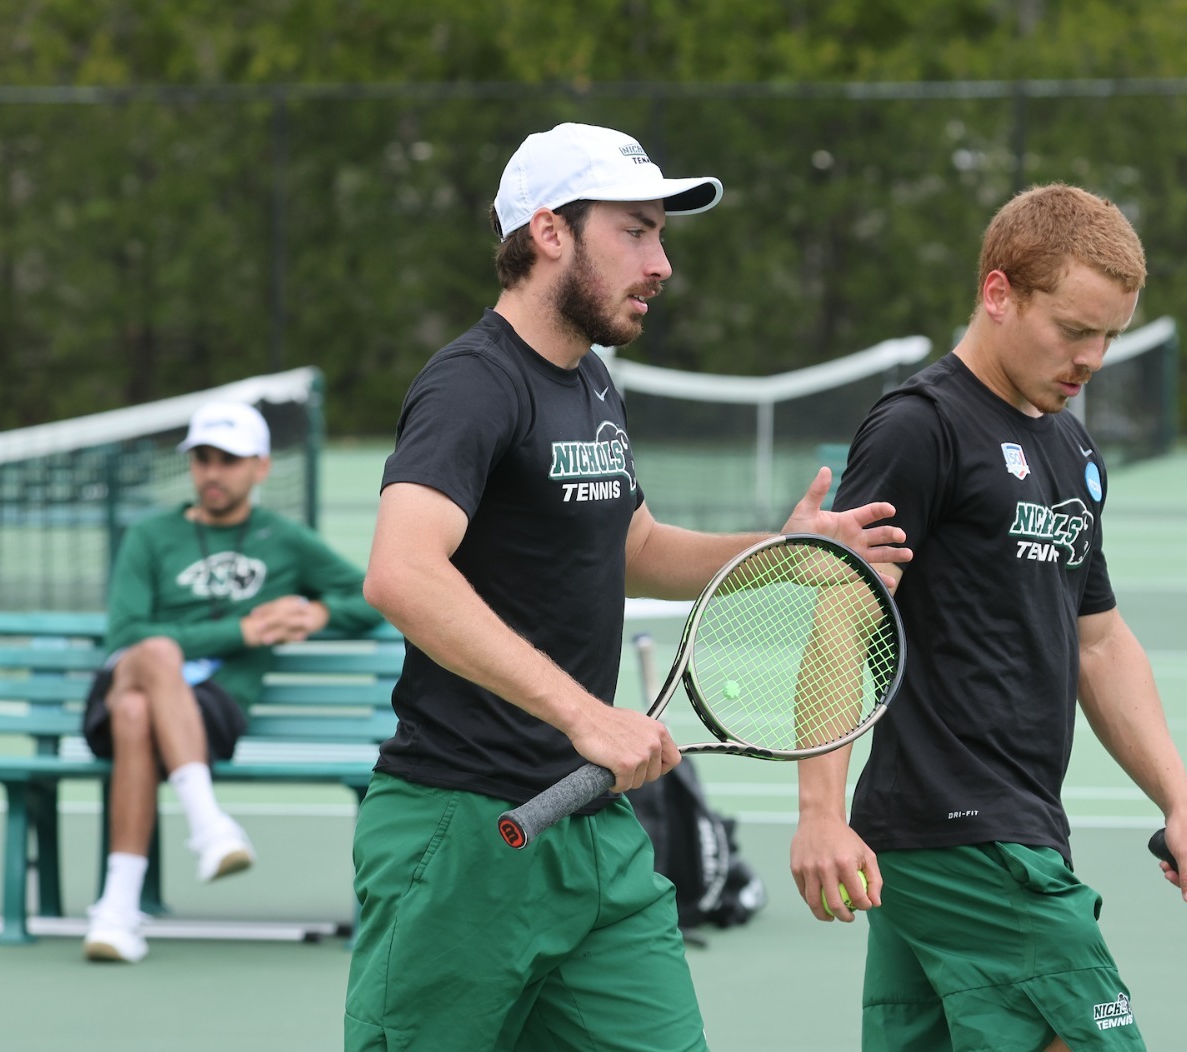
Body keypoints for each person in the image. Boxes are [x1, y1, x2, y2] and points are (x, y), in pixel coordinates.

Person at [344, 122, 910, 1052]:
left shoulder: (591, 386)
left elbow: (632, 544)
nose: (662, 264)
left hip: (591, 829)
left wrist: (786, 548)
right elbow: (402, 571)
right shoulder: (471, 386)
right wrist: (584, 714)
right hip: (464, 834)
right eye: (635, 232)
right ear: (549, 232)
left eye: (661, 235)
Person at [788, 184, 1187, 1051]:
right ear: (999, 294)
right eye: (1074, 330)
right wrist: (821, 811)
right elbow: (840, 611)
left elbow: (1100, 642)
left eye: (1110, 335)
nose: (1093, 358)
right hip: (965, 837)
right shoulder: (919, 428)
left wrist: (1181, 805)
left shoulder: (1071, 448)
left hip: (994, 834)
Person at [80, 400, 383, 963]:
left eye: (229, 459)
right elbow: (123, 633)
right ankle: (207, 825)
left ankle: (116, 911)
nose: (213, 473)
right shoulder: (150, 535)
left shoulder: (285, 540)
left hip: (210, 711)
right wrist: (241, 631)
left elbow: (373, 594)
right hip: (124, 682)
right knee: (153, 653)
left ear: (261, 467)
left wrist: (319, 614)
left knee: (137, 716)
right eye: (202, 459)